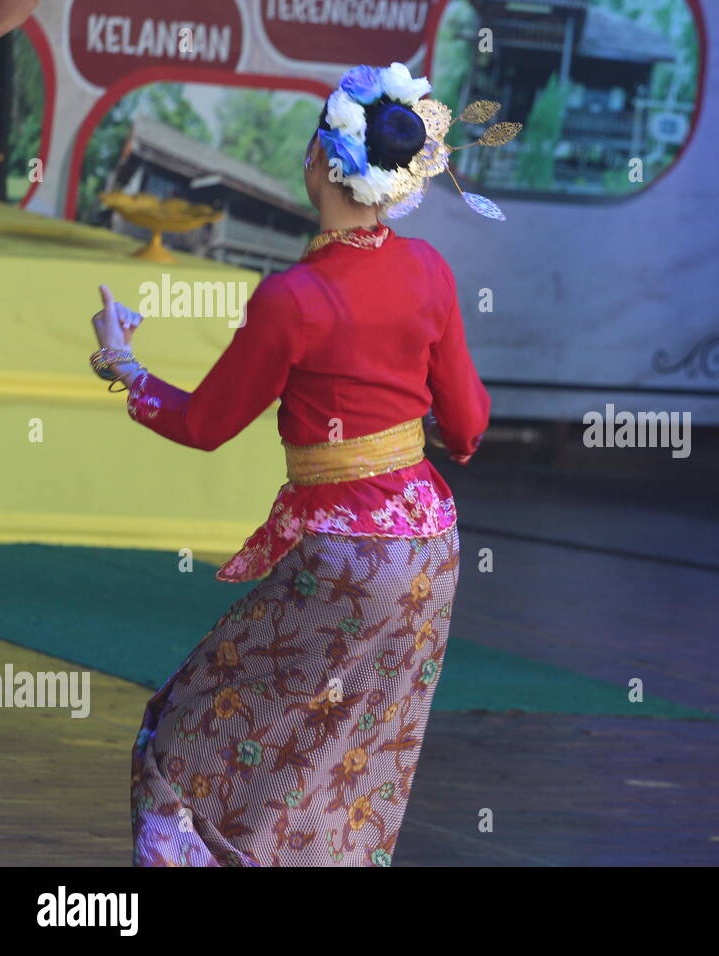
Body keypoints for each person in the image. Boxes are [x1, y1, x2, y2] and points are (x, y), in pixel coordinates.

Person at [87, 63, 510, 866]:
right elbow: (468, 426)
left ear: (319, 159)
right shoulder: (428, 270)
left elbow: (204, 424)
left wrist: (125, 366)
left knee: (186, 734)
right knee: (350, 761)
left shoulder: (294, 297)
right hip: (432, 554)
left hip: (345, 557)